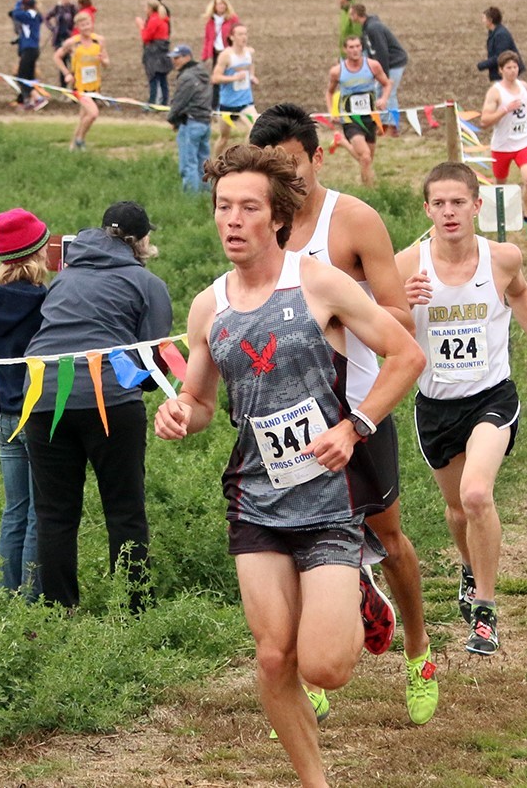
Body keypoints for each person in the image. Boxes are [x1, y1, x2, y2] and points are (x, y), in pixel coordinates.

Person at [153, 144, 414, 788]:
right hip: (256, 499)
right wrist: (180, 412)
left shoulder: (318, 282)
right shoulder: (208, 306)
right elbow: (201, 401)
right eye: (223, 207)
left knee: (326, 669)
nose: (232, 219)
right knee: (273, 658)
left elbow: (406, 354)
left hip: (327, 500)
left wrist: (355, 426)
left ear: (277, 218)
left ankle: (353, 591)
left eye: (248, 207)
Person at [248, 105, 439, 724]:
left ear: (317, 156)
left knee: (389, 539)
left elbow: (399, 319)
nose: (286, 179)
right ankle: (314, 669)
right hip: (287, 421)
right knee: (296, 544)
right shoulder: (261, 229)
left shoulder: (352, 220)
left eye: (293, 165)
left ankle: (418, 649)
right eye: (272, 169)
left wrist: (338, 307)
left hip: (359, 408)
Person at [396, 161, 527, 657]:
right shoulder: (406, 265)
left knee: (475, 495)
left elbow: (521, 293)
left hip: (491, 397)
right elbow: (381, 327)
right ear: (427, 209)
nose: (449, 212)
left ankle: (485, 612)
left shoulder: (502, 258)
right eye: (439, 203)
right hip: (435, 406)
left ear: (476, 206)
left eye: (458, 202)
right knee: (456, 510)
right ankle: (469, 568)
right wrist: (400, 304)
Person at [23, 201, 172, 614]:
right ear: (141, 241)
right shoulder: (146, 283)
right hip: (110, 399)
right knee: (125, 510)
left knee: (54, 514)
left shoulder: (64, 278)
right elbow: (153, 357)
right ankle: (134, 610)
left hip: (43, 396)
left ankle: (59, 612)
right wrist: (137, 386)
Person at [0, 210, 52, 595]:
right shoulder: (43, 300)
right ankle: (32, 598)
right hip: (36, 412)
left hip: (5, 413)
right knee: (40, 512)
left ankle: (5, 593)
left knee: (14, 509)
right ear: (36, 251)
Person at [477, 49, 527, 240]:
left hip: (524, 141)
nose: (513, 71)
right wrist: (505, 109)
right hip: (502, 145)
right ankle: (501, 218)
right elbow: (484, 120)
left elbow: (524, 103)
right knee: (500, 185)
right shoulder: (495, 92)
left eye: (515, 67)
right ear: (501, 70)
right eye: (508, 68)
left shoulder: (523, 86)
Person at [323, 36, 390, 187]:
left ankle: (365, 189)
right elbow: (329, 93)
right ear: (345, 50)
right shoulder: (337, 71)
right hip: (350, 119)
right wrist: (332, 112)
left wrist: (384, 99)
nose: (355, 50)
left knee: (367, 160)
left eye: (358, 46)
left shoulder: (373, 66)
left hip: (370, 117)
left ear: (362, 47)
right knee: (365, 157)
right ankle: (370, 192)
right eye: (351, 47)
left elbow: (387, 84)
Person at [53, 12, 108, 151]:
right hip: (79, 87)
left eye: (88, 24)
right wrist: (67, 73)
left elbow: (107, 63)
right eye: (83, 25)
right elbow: (57, 57)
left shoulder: (99, 40)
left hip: (94, 86)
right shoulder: (72, 42)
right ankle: (80, 140)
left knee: (83, 117)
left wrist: (103, 60)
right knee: (93, 113)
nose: (86, 27)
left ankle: (72, 147)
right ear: (77, 27)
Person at [352, 4, 409, 135]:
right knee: (379, 92)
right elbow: (369, 51)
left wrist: (384, 75)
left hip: (394, 62)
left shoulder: (373, 28)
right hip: (386, 64)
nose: (350, 17)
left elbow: (382, 51)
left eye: (351, 14)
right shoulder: (366, 29)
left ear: (356, 14)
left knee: (389, 93)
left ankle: (393, 127)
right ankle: (383, 125)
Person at [167, 44, 215, 192]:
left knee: (188, 165)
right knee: (203, 164)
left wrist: (172, 119)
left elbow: (179, 101)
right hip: (205, 122)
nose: (174, 61)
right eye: (173, 58)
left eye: (177, 58)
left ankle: (191, 198)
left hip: (191, 123)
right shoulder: (203, 73)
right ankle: (207, 195)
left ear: (187, 57)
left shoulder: (187, 77)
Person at [210, 23, 258, 157]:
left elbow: (251, 65)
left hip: (245, 102)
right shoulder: (226, 55)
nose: (244, 37)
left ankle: (243, 158)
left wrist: (252, 76)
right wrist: (234, 78)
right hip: (227, 105)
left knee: (255, 130)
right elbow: (215, 78)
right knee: (224, 138)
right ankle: (214, 162)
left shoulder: (250, 52)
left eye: (245, 34)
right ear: (232, 37)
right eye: (240, 34)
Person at [8, 0, 48, 110]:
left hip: (28, 49)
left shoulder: (26, 15)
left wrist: (19, 1)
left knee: (21, 76)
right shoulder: (36, 15)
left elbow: (14, 13)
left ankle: (38, 98)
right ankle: (30, 102)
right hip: (33, 49)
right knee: (29, 77)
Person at [138, 0, 172, 106]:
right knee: (162, 78)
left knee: (154, 77)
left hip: (154, 52)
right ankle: (163, 101)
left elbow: (146, 37)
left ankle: (154, 102)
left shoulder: (154, 20)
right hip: (162, 50)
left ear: (150, 9)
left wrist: (141, 26)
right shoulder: (163, 19)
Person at [475, 6, 518, 84]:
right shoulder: (494, 32)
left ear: (490, 20)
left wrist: (482, 65)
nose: (482, 21)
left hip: (506, 75)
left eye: (484, 18)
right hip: (501, 74)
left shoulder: (501, 35)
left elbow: (500, 57)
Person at [200, 0, 241, 74]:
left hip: (229, 51)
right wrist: (205, 56)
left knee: (230, 74)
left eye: (223, 4)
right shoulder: (210, 21)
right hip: (216, 52)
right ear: (214, 6)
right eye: (219, 4)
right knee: (217, 75)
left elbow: (238, 34)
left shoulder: (232, 18)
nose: (221, 6)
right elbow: (207, 39)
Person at [46, 0, 78, 82]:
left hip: (70, 39)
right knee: (61, 64)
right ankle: (63, 86)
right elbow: (46, 18)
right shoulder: (56, 8)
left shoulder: (73, 8)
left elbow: (78, 20)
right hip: (59, 39)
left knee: (73, 63)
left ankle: (75, 85)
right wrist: (52, 28)